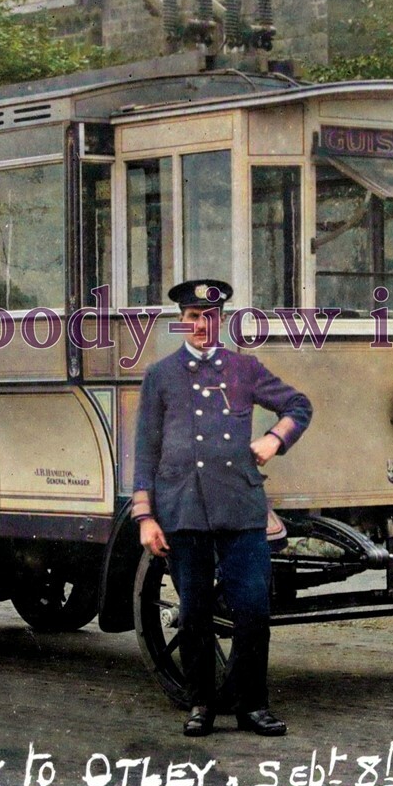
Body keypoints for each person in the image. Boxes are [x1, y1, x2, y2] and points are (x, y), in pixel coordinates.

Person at [132, 278, 312, 737]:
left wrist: (275, 438)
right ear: (181, 323)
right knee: (193, 614)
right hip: (183, 509)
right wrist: (145, 517)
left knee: (253, 608)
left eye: (209, 318)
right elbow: (145, 451)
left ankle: (252, 705)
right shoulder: (160, 376)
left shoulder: (244, 369)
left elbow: (299, 405)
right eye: (192, 318)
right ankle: (200, 705)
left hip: (240, 506)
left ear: (222, 322)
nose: (200, 326)